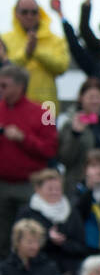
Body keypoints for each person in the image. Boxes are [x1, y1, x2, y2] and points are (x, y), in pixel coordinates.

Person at [1, 65, 59, 257]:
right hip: (2, 185)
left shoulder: (42, 111)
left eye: (4, 85)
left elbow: (50, 150)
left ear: (19, 86)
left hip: (30, 186)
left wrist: (23, 138)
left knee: (31, 236)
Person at [4, 0, 68, 112]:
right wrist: (26, 53)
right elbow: (4, 67)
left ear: (39, 14)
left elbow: (62, 67)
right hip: (11, 106)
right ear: (16, 14)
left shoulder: (56, 40)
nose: (29, 16)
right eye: (24, 12)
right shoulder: (4, 39)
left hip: (47, 107)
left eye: (34, 12)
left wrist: (36, 51)